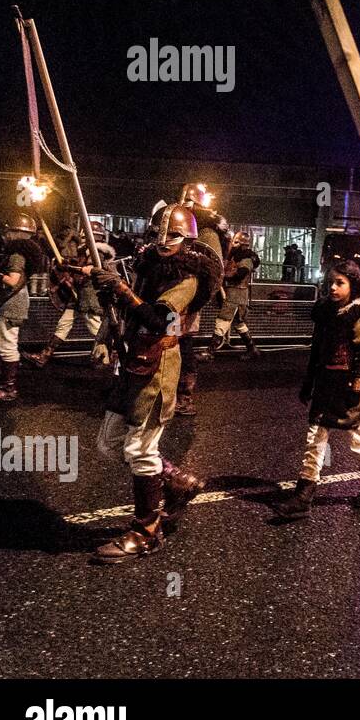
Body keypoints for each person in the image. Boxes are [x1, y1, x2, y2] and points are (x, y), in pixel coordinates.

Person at [89, 204, 221, 563]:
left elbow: (158, 318)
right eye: (159, 236)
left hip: (158, 367)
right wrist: (109, 311)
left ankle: (146, 530)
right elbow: (130, 310)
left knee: (139, 451)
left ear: (188, 240)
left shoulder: (188, 277)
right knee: (109, 443)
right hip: (132, 361)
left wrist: (120, 290)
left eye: (173, 237)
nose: (164, 243)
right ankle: (176, 481)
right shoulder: (150, 268)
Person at [274, 260, 360, 519]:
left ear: (352, 284)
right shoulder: (326, 311)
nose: (334, 288)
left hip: (347, 385)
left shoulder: (358, 312)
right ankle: (304, 495)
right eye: (331, 283)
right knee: (315, 437)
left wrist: (356, 387)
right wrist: (308, 382)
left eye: (340, 283)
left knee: (357, 437)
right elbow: (317, 352)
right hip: (325, 384)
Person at [166, 186, 231, 416]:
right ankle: (162, 393)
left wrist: (192, 301)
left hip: (186, 299)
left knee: (181, 346)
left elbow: (211, 270)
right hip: (164, 295)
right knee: (161, 344)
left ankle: (184, 396)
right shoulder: (172, 222)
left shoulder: (206, 231)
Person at [23, 221, 115, 369]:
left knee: (96, 328)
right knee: (63, 325)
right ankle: (44, 356)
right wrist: (66, 265)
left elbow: (89, 271)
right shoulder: (85, 251)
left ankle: (110, 356)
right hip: (78, 295)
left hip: (89, 295)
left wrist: (70, 269)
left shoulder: (97, 252)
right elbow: (78, 266)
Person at [0, 214, 45, 404]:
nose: (6, 234)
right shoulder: (16, 253)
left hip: (11, 303)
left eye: (9, 231)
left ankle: (7, 388)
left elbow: (12, 281)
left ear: (17, 233)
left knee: (6, 346)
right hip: (1, 302)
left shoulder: (17, 255)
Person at [212, 231, 260, 360]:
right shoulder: (234, 257)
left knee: (223, 321)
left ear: (243, 244)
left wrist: (225, 277)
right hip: (232, 293)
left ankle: (209, 352)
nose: (233, 245)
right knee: (238, 323)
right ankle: (252, 349)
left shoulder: (247, 259)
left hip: (237, 294)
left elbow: (240, 274)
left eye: (237, 242)